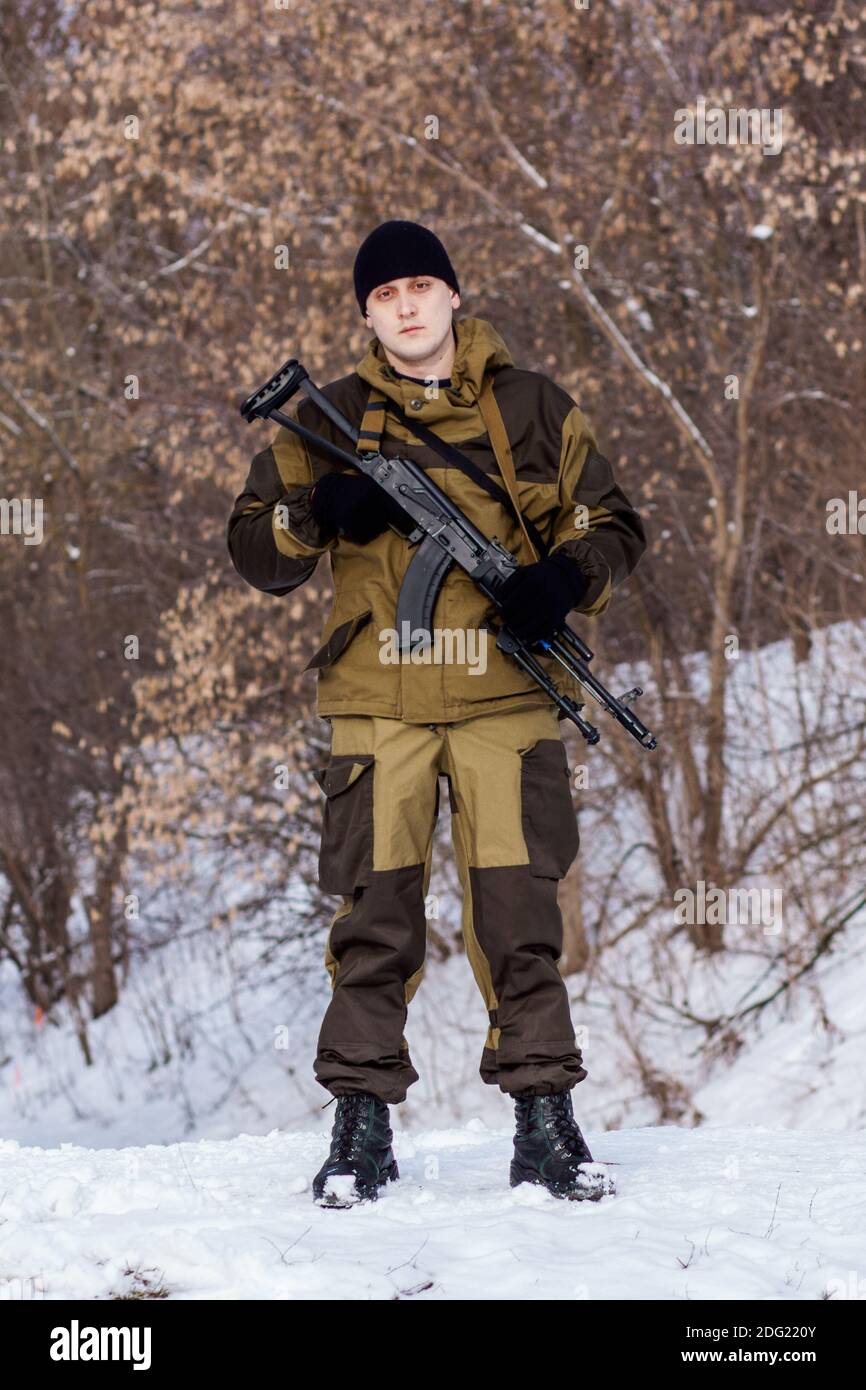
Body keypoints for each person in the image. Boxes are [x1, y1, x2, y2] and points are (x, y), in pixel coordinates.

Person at [227, 219, 647, 1206]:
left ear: (454, 295)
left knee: (518, 920)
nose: (407, 304)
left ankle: (544, 1123)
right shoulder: (323, 418)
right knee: (372, 920)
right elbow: (254, 550)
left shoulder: (532, 409)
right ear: (366, 313)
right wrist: (321, 512)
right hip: (380, 707)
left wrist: (561, 577)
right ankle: (360, 1129)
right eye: (385, 293)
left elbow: (612, 521)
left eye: (422, 284)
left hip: (505, 698)